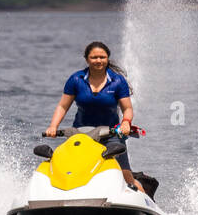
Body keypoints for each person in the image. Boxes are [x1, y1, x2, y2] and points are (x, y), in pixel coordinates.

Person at [44, 41, 144, 193]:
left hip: (111, 134)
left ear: (107, 58)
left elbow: (127, 108)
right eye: (94, 57)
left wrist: (126, 122)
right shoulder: (76, 79)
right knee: (69, 169)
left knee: (125, 175)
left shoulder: (117, 81)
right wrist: (53, 126)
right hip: (81, 134)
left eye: (102, 57)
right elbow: (62, 106)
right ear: (87, 59)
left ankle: (144, 201)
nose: (98, 60)